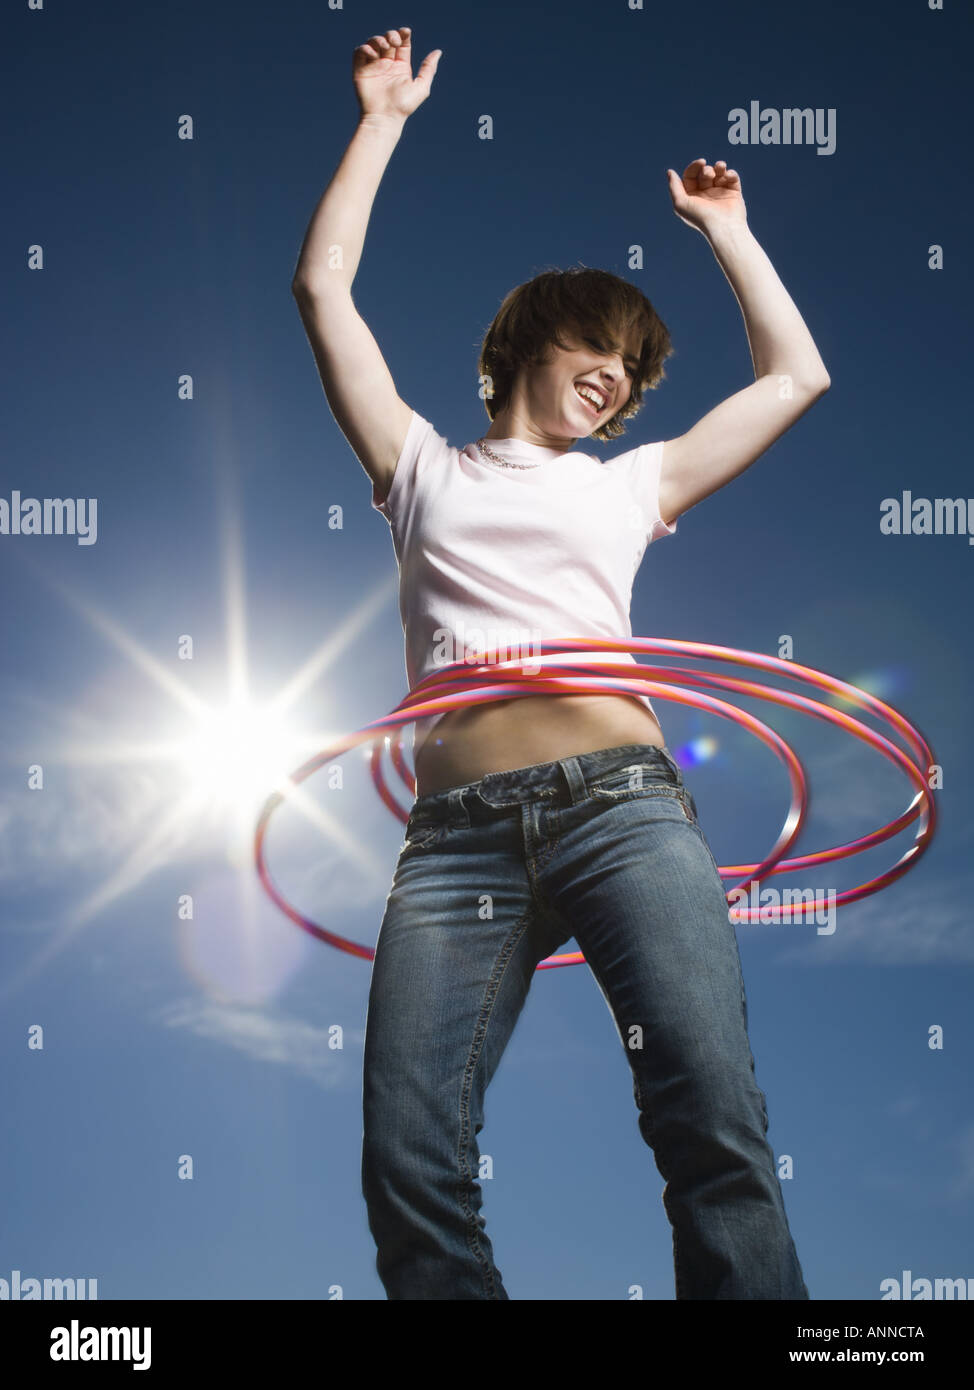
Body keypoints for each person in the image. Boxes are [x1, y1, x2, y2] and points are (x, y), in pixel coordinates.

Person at [290, 26, 830, 1300]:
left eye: (634, 369)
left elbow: (795, 375)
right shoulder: (416, 467)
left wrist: (726, 233)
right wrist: (381, 119)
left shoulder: (633, 484)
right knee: (407, 1155)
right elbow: (323, 289)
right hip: (452, 840)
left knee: (708, 1121)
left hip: (621, 810)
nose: (616, 377)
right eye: (599, 346)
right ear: (526, 343)